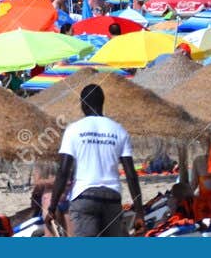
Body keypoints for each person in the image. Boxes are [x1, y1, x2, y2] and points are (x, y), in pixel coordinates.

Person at [49, 82, 145, 237]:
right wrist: (139, 211)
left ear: (82, 105)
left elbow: (63, 170)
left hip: (84, 197)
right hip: (112, 198)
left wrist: (52, 207)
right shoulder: (119, 130)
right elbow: (131, 174)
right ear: (102, 103)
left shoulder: (73, 130)